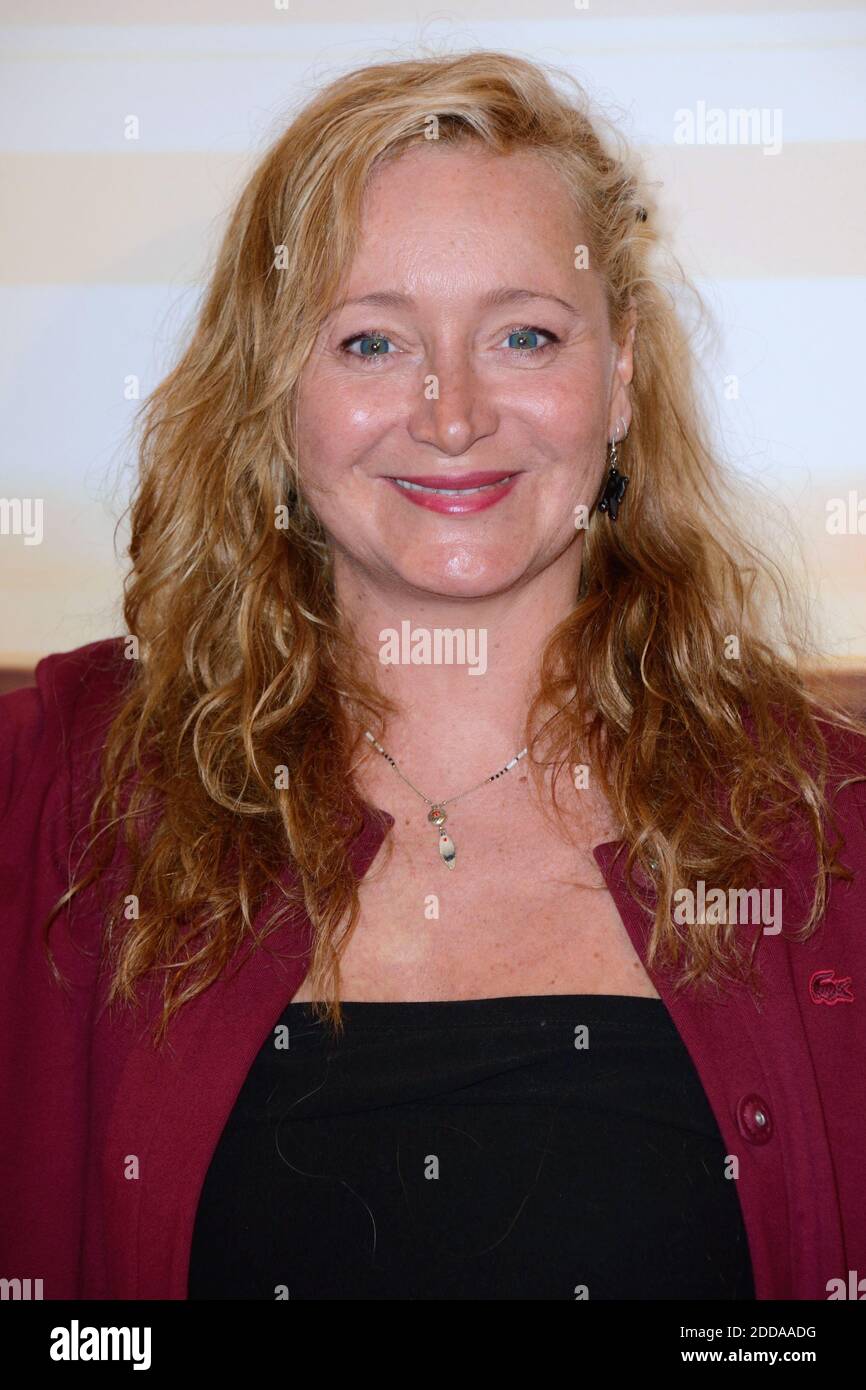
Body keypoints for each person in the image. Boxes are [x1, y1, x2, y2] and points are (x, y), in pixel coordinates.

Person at [2, 50, 865, 1303]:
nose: (450, 413)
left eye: (523, 334)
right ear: (273, 394)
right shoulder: (59, 794)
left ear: (616, 381)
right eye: (369, 341)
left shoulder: (829, 826)